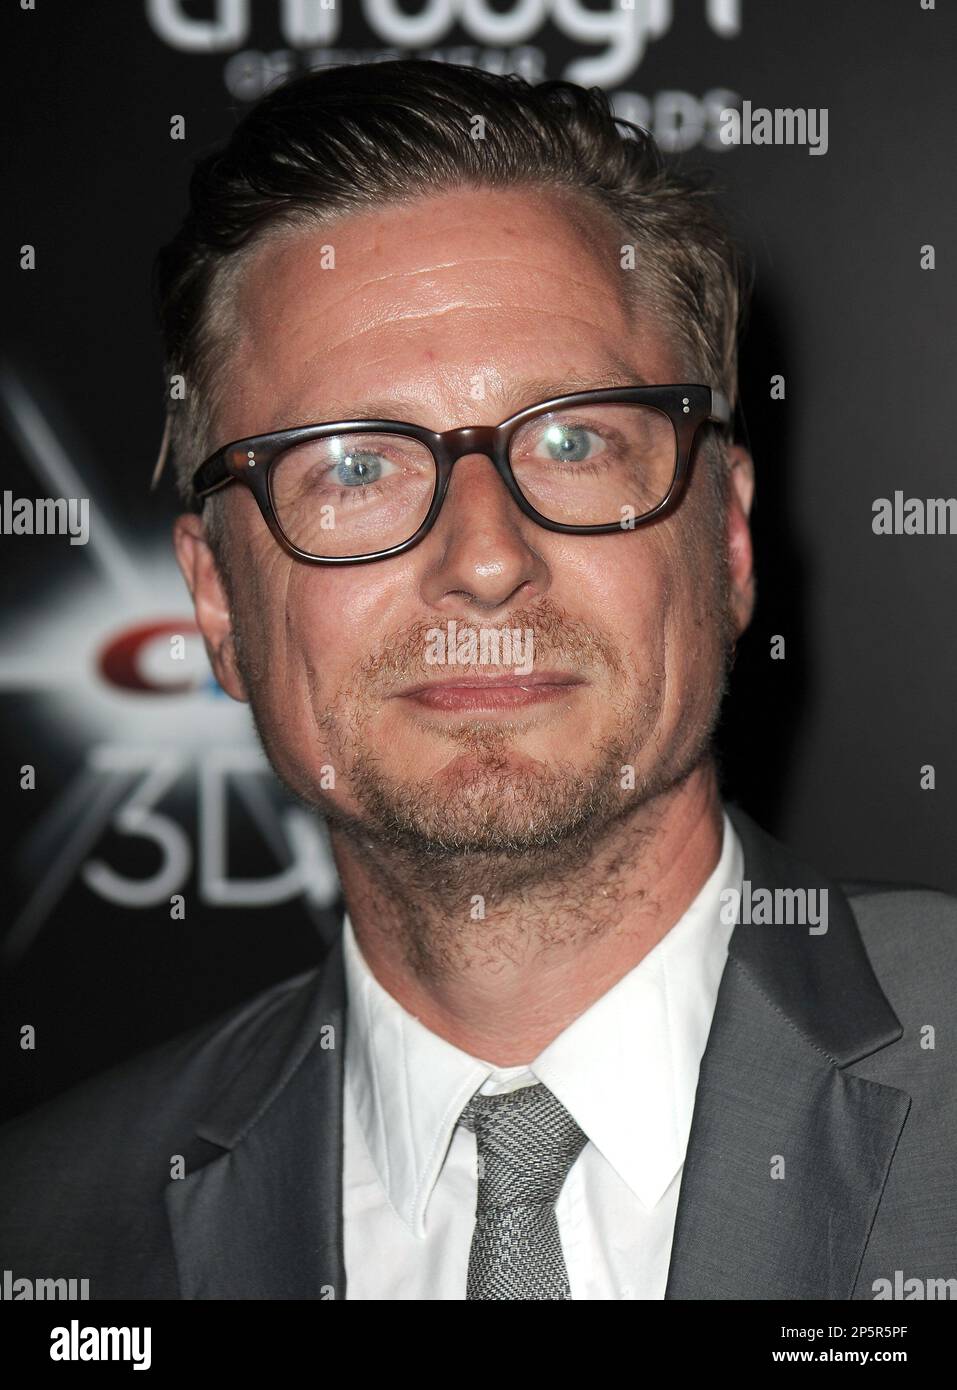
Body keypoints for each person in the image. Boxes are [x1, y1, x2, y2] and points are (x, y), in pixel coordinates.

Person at [1, 59, 955, 1302]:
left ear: (724, 539)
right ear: (221, 603)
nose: (488, 560)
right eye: (353, 468)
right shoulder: (51, 1237)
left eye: (573, 441)